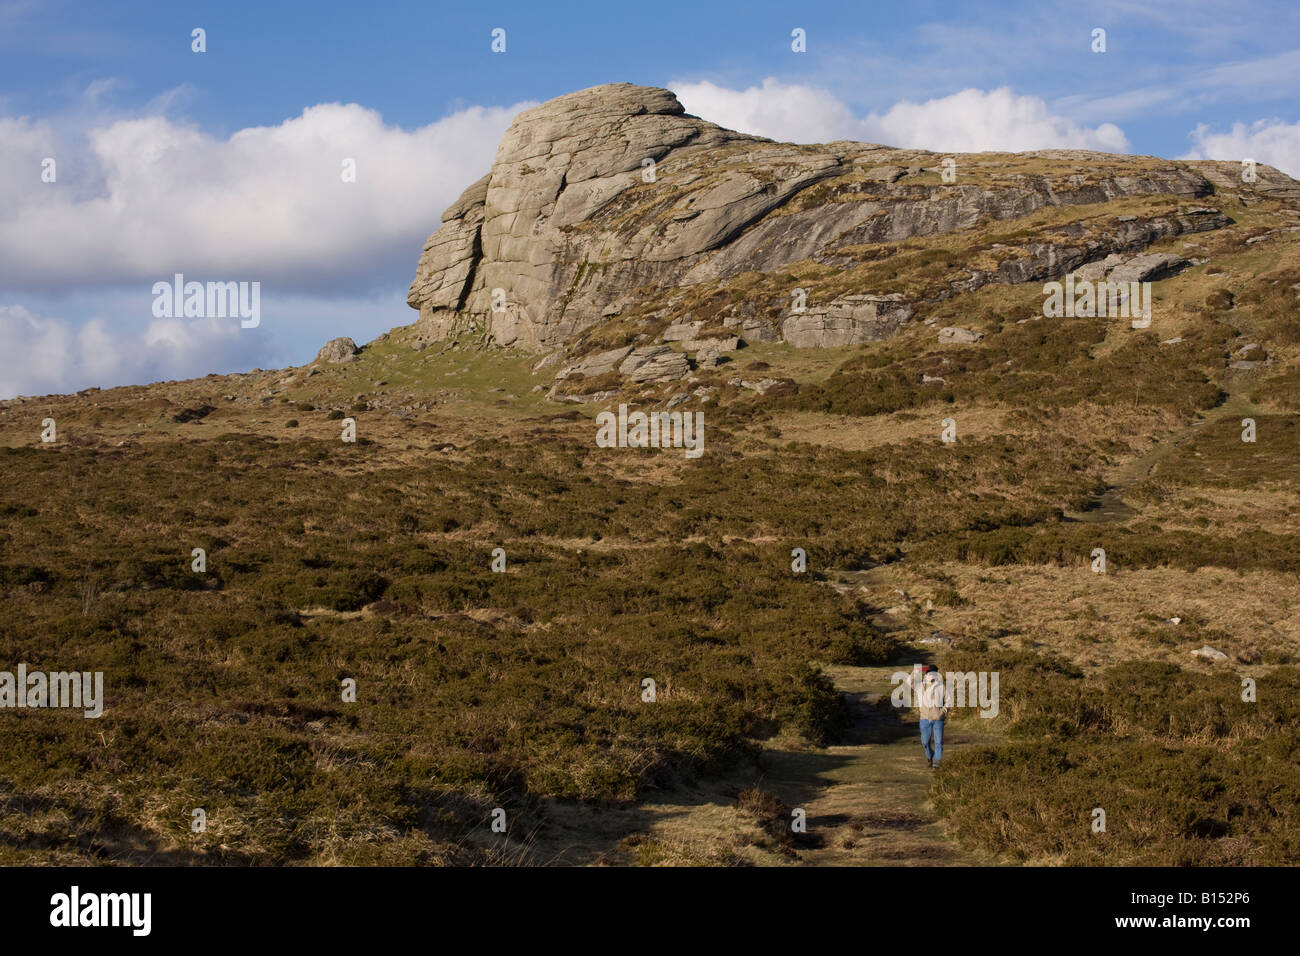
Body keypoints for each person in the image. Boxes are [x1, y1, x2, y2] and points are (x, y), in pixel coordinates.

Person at [910, 664, 950, 769]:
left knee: (938, 741)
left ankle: (937, 762)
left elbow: (948, 701)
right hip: (924, 719)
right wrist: (917, 670)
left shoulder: (941, 687)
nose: (931, 675)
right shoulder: (920, 686)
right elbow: (910, 681)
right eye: (929, 673)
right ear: (926, 675)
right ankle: (929, 756)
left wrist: (942, 712)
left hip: (938, 719)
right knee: (925, 741)